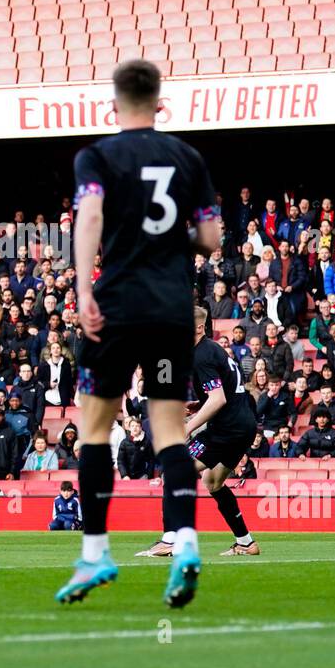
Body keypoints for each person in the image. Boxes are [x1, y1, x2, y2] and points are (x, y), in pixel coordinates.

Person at [56, 59, 222, 609]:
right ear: (159, 102)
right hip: (174, 309)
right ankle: (187, 542)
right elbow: (211, 236)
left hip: (117, 307)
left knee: (96, 430)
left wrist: (84, 289)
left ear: (114, 102)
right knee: (170, 432)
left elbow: (91, 217)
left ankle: (96, 554)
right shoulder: (188, 157)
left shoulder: (97, 157)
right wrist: (180, 242)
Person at [139, 305, 260, 559]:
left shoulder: (201, 355)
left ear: (198, 328)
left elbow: (218, 400)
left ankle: (170, 540)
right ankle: (246, 542)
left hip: (227, 429)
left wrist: (188, 426)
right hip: (244, 425)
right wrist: (197, 405)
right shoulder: (212, 350)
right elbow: (224, 391)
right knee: (213, 482)